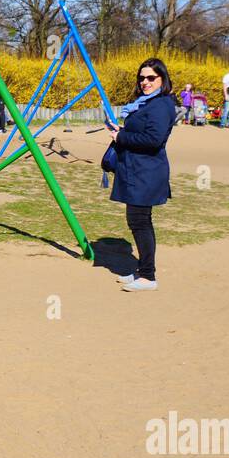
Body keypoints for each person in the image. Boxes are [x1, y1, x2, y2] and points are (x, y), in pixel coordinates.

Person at [103, 58, 177, 292]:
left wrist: (120, 138)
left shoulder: (161, 104)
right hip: (136, 170)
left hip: (147, 172)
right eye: (142, 77)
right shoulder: (145, 103)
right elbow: (143, 132)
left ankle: (148, 276)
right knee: (137, 220)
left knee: (140, 221)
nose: (145, 82)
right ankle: (143, 269)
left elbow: (153, 140)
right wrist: (122, 131)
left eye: (151, 78)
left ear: (162, 79)